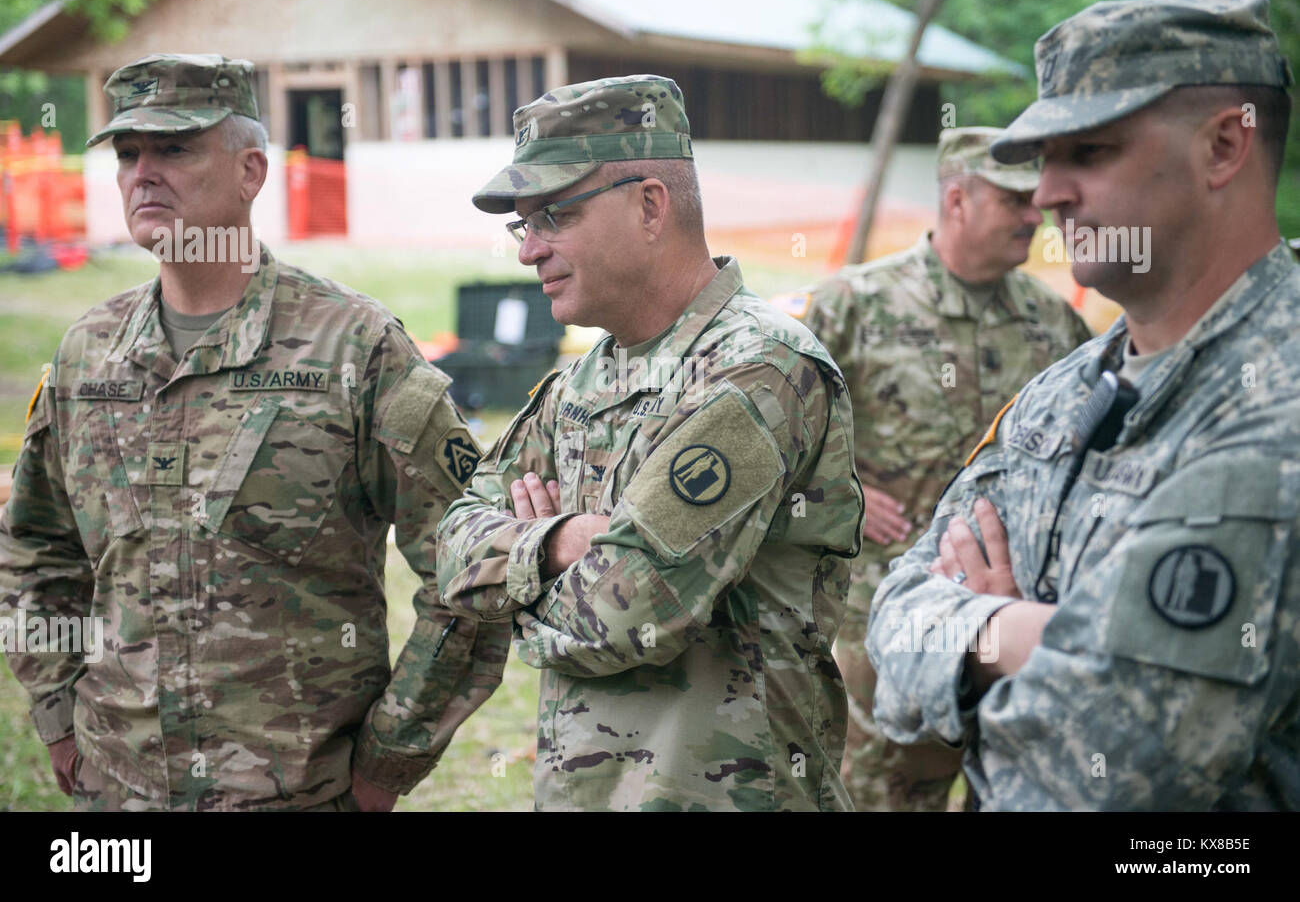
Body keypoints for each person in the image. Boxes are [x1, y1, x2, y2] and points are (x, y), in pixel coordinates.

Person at [0, 53, 508, 811]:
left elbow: (471, 567)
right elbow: (38, 548)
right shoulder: (89, 350)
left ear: (251, 171)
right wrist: (59, 714)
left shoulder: (355, 347)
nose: (143, 173)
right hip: (119, 795)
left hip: (298, 792)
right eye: (128, 153)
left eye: (173, 148)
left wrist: (387, 760)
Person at [865, 0, 1300, 809]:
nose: (1047, 194)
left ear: (1225, 145)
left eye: (1090, 152)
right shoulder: (1064, 389)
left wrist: (978, 653)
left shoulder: (1276, 399)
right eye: (1043, 159)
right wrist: (1016, 634)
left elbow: (1104, 767)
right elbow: (891, 621)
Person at [435, 74, 865, 811]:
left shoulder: (758, 369)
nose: (527, 250)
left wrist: (515, 573)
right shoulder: (584, 379)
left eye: (555, 215)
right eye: (523, 224)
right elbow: (449, 545)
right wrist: (561, 540)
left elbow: (625, 615)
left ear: (650, 205)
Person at [779, 127, 1092, 810]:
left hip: (1018, 611)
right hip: (885, 614)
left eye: (1034, 200)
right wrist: (842, 488)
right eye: (1014, 201)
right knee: (885, 792)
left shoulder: (1054, 322)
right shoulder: (854, 304)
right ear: (957, 200)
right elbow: (773, 431)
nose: (1035, 215)